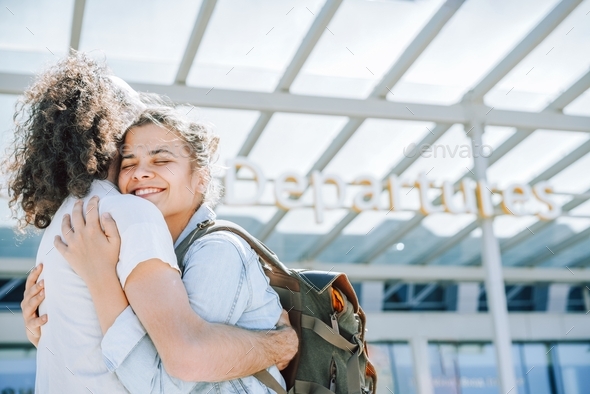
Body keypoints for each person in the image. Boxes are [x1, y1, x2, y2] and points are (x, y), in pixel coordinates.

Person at [7, 53, 297, 393]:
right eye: (130, 156)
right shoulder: (125, 216)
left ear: (201, 178)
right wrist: (281, 345)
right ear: (111, 134)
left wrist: (283, 345)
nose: (142, 171)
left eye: (161, 159)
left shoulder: (212, 248)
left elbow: (172, 371)